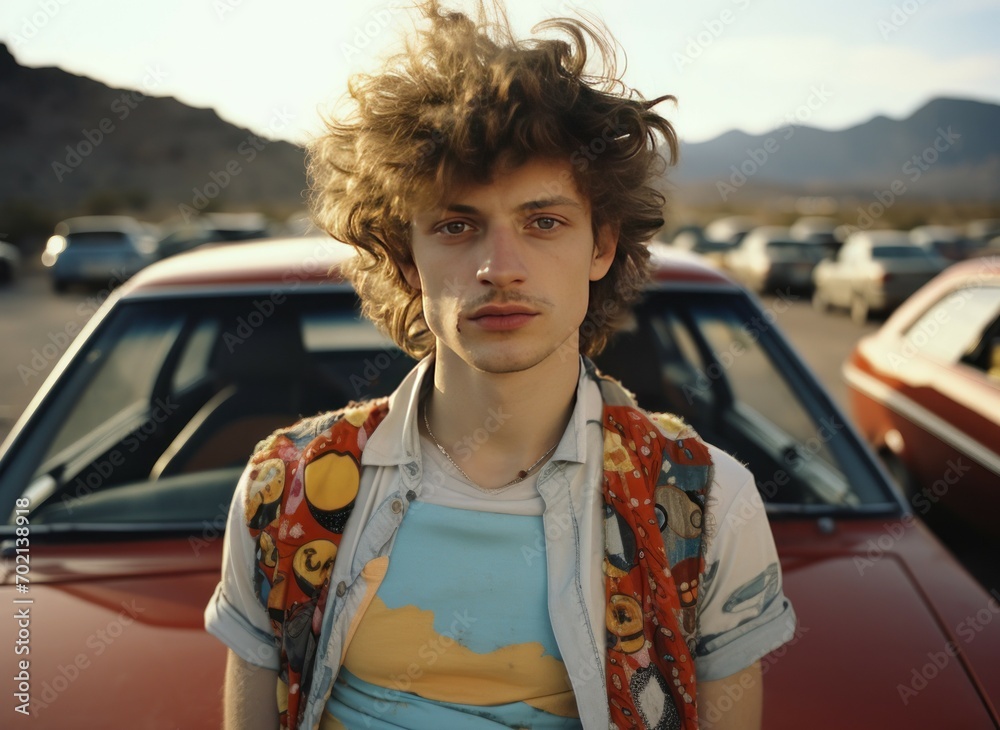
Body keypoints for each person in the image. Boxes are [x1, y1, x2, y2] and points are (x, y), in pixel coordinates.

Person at [204, 2, 797, 728]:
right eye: (456, 225)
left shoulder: (702, 503)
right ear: (405, 258)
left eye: (544, 222)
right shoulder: (289, 486)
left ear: (601, 246)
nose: (499, 268)